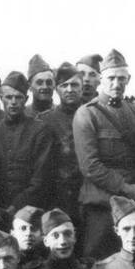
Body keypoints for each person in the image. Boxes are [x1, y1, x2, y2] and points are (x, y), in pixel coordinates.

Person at [73, 49, 135, 258]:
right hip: (101, 204)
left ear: (128, 79)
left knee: (134, 258)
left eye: (122, 78)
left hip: (133, 203)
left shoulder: (134, 110)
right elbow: (90, 165)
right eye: (111, 78)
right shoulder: (87, 113)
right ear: (101, 79)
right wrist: (125, 188)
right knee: (97, 260)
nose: (117, 83)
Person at [0, 71, 56, 211]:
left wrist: (16, 206)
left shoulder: (40, 131)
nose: (13, 102)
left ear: (25, 99)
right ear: (1, 98)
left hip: (32, 208)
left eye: (18, 97)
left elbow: (41, 178)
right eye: (9, 97)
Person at [38, 64, 85, 226]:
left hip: (87, 195)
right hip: (56, 196)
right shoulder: (44, 121)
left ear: (82, 87)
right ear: (57, 89)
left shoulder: (92, 115)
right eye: (64, 85)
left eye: (74, 85)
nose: (70, 89)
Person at [24, 54, 56, 118]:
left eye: (49, 82)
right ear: (30, 86)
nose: (45, 87)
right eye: (39, 83)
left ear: (54, 85)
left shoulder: (60, 114)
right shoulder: (22, 114)